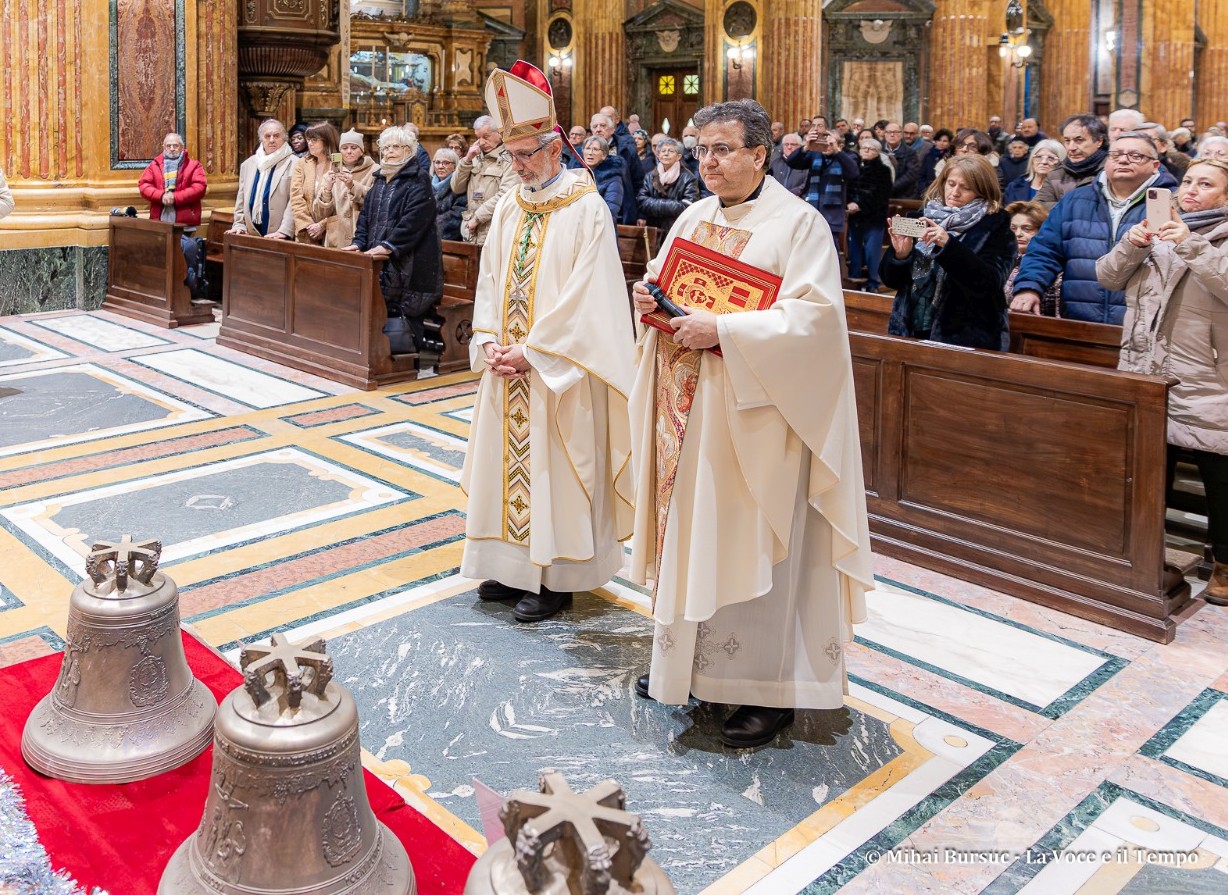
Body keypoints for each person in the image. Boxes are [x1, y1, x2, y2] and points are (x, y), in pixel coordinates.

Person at [628, 98, 873, 749]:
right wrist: (646, 296)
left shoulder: (797, 226)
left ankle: (768, 690)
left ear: (760, 154)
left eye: (723, 149)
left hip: (760, 421)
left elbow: (814, 321)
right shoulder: (692, 215)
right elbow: (664, 281)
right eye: (702, 149)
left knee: (755, 540)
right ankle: (686, 666)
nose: (708, 162)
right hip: (689, 414)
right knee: (695, 534)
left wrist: (726, 331)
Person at [460, 62, 635, 624]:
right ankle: (512, 568)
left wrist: (533, 351)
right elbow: (489, 276)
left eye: (528, 153)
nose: (518, 164)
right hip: (506, 365)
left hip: (558, 370)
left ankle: (556, 577)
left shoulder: (587, 209)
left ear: (556, 146)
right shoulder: (512, 203)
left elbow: (591, 297)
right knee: (504, 465)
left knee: (556, 469)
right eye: (512, 155)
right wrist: (488, 338)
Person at [1096, 157, 1228, 604]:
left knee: (1220, 474)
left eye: (1205, 184)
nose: (1190, 189)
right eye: (1188, 180)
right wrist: (1132, 244)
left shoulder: (1211, 237)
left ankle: (1226, 565)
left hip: (1208, 375)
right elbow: (1107, 277)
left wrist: (1190, 243)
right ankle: (1148, 555)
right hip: (1146, 368)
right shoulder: (1159, 228)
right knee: (1152, 469)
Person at [1011, 131, 1178, 322]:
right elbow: (1045, 250)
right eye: (1116, 155)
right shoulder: (1076, 200)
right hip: (1079, 319)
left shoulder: (1172, 203)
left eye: (1136, 156)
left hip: (1142, 323)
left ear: (1155, 166)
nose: (1123, 160)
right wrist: (1029, 287)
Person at [882, 154, 1015, 349]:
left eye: (966, 187)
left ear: (983, 191)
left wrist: (949, 246)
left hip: (965, 338)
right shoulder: (922, 218)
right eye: (951, 183)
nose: (955, 192)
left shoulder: (995, 229)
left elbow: (989, 284)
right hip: (910, 330)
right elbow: (890, 281)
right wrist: (900, 256)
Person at [344, 125, 442, 354]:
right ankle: (381, 357)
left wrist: (388, 246)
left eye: (395, 147)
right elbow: (366, 216)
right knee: (381, 309)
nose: (389, 152)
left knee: (405, 312)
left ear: (409, 150)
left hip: (411, 261)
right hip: (380, 259)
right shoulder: (380, 180)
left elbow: (414, 221)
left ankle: (405, 361)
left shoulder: (419, 180)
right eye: (385, 147)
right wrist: (359, 242)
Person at [452, 115, 517, 246]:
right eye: (478, 138)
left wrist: (478, 217)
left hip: (495, 228)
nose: (481, 142)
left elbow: (506, 194)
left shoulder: (510, 158)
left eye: (486, 137)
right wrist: (467, 159)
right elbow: (456, 187)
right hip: (471, 230)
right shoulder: (474, 157)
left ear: (499, 133)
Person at [787, 126, 859, 243]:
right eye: (825, 141)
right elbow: (791, 162)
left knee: (830, 249)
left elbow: (853, 172)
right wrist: (806, 147)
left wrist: (837, 151)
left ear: (839, 144)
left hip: (832, 214)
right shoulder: (814, 155)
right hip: (812, 210)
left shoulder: (847, 157)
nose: (827, 145)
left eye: (831, 143)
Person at [228, 119, 297, 239]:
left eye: (276, 136)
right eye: (267, 136)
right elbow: (241, 198)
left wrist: (285, 231)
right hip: (252, 234)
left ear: (284, 138)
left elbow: (295, 201)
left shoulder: (295, 163)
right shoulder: (248, 164)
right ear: (261, 139)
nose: (272, 140)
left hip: (280, 235)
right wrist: (239, 224)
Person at [314, 128, 377, 249]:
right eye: (344, 148)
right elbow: (320, 214)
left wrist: (352, 186)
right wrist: (327, 190)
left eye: (354, 148)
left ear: (362, 150)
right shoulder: (331, 171)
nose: (349, 151)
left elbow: (375, 201)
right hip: (336, 236)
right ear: (339, 151)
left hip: (362, 235)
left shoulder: (374, 170)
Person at [846, 137, 893, 293]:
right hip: (855, 217)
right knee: (854, 251)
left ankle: (874, 283)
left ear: (878, 152)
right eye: (863, 148)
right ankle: (855, 282)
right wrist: (850, 203)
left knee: (872, 253)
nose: (865, 150)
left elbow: (880, 196)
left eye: (870, 148)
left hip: (873, 217)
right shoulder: (854, 168)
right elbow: (849, 189)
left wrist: (860, 206)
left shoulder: (883, 170)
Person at [1035, 114, 1109, 208]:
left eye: (1079, 140)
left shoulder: (1111, 172)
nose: (1071, 148)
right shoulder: (1056, 174)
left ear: (1099, 141)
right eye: (1067, 141)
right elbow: (1037, 208)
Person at [290, 121, 343, 246]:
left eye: (314, 139)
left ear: (327, 140)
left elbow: (343, 201)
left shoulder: (339, 163)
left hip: (334, 231)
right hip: (307, 234)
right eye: (308, 139)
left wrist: (323, 225)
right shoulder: (302, 163)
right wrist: (308, 226)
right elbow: (296, 197)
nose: (309, 143)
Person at [138, 133, 207, 227]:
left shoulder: (194, 165)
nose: (172, 149)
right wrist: (161, 196)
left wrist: (175, 197)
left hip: (185, 220)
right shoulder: (154, 165)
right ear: (164, 147)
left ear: (182, 147)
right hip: (159, 219)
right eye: (168, 146)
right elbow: (144, 185)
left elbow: (200, 187)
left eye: (175, 145)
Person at [1004, 201, 1061, 316]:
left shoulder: (1051, 270)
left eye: (1027, 229)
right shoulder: (1001, 263)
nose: (1018, 234)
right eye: (1013, 228)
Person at [637, 136, 699, 238]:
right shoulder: (650, 175)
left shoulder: (688, 178)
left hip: (677, 228)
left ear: (678, 156)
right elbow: (642, 201)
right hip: (654, 229)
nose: (666, 154)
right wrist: (671, 206)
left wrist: (655, 204)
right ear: (658, 155)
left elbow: (688, 206)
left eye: (671, 151)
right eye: (663, 151)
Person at [1003, 139, 1065, 203]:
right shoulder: (1013, 187)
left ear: (1061, 162)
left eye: (1051, 158)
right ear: (1032, 160)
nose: (1044, 162)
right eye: (1039, 157)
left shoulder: (1066, 191)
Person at [583, 135, 625, 221]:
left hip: (600, 228)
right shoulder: (576, 174)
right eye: (587, 148)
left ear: (604, 155)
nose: (590, 152)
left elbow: (610, 211)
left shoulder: (613, 178)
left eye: (595, 149)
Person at [431, 147, 466, 241]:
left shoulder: (459, 186)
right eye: (437, 162)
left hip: (449, 238)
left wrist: (430, 228)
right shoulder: (426, 184)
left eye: (446, 163)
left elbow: (458, 214)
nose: (441, 166)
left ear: (455, 166)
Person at [882, 122, 921, 198]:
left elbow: (911, 174)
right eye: (889, 132)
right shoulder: (879, 150)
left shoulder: (910, 152)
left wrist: (892, 187)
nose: (892, 135)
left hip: (903, 194)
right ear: (885, 134)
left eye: (895, 132)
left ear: (901, 134)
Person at [768, 132, 806, 196]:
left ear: (800, 146)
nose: (789, 147)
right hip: (777, 199)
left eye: (793, 144)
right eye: (786, 144)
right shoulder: (775, 163)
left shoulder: (805, 163)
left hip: (799, 200)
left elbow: (805, 185)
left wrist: (788, 194)